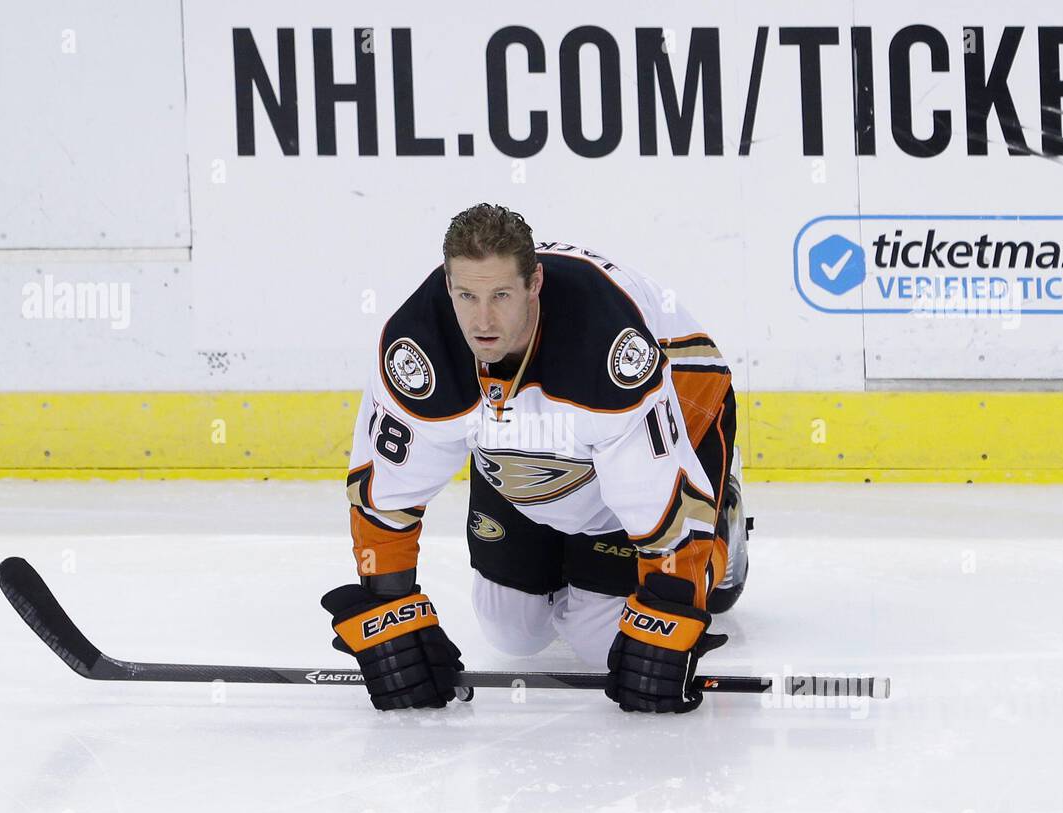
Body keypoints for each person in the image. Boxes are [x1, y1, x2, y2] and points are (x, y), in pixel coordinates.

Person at [321, 204, 749, 713]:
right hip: (528, 455)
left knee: (597, 643)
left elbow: (661, 501)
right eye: (466, 295)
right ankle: (573, 564)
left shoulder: (607, 350)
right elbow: (385, 496)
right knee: (511, 632)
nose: (482, 320)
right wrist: (385, 609)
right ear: (447, 285)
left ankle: (722, 518)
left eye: (501, 295)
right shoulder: (418, 345)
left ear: (534, 283)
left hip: (678, 401)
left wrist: (672, 611)